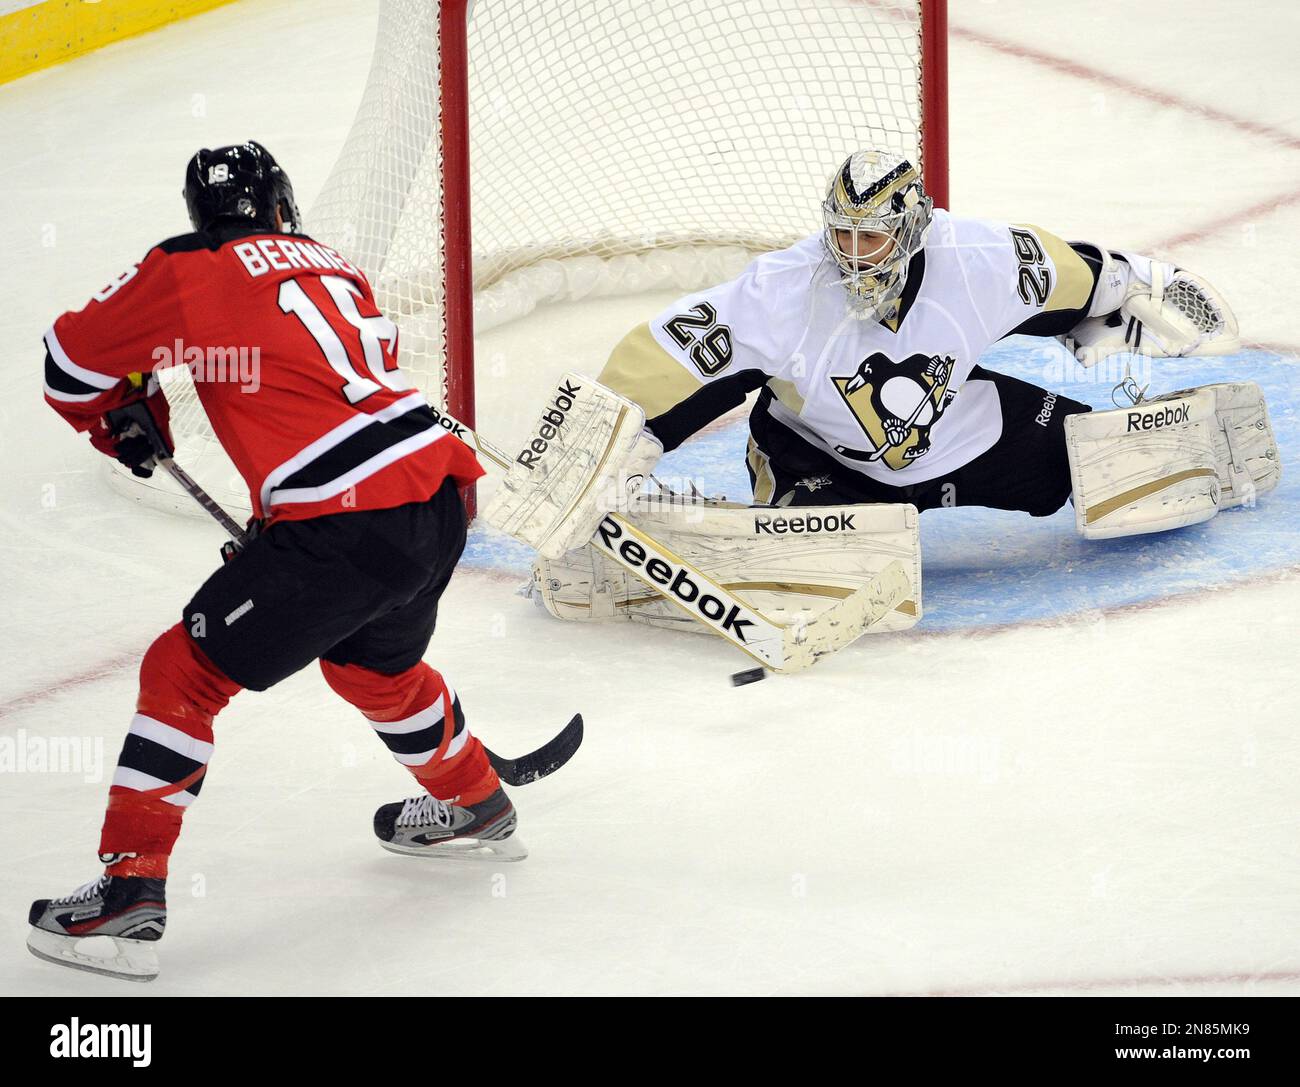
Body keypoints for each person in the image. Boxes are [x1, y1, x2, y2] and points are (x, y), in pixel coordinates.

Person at [30, 141, 520, 984]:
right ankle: (474, 802)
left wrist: (124, 417)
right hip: (437, 501)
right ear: (283, 205)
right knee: (374, 669)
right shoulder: (333, 264)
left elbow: (69, 363)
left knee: (179, 673)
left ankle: (127, 890)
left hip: (347, 523)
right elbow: (311, 401)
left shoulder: (191, 263)